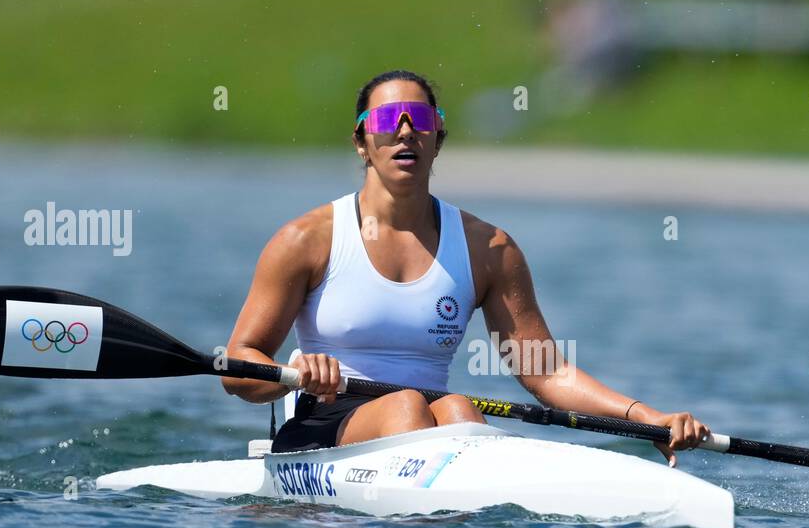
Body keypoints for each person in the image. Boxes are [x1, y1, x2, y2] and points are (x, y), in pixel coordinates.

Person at [222, 69, 709, 464]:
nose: (405, 131)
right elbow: (238, 365)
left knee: (457, 407)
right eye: (389, 119)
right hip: (324, 422)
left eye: (419, 118)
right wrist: (294, 370)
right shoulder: (307, 240)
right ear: (361, 141)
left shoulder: (488, 248)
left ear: (439, 137)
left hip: (430, 422)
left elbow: (548, 374)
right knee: (411, 404)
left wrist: (645, 417)